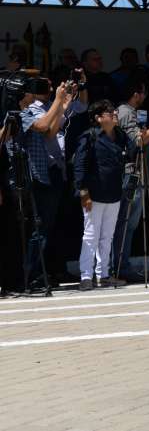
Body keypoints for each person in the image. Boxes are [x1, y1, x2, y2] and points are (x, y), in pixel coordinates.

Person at [10, 78, 80, 291]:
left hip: (54, 172)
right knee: (38, 228)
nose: (49, 90)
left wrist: (64, 102)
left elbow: (52, 129)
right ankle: (30, 275)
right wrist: (59, 100)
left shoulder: (48, 107)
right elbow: (43, 126)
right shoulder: (24, 111)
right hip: (37, 175)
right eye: (44, 87)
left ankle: (44, 272)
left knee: (49, 227)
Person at [73, 100, 138, 289]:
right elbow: (80, 166)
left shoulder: (120, 135)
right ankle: (86, 276)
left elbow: (134, 150)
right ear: (98, 118)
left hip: (114, 193)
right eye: (109, 112)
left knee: (107, 236)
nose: (114, 113)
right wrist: (83, 192)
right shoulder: (89, 136)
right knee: (90, 235)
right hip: (94, 194)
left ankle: (103, 274)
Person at [112, 79, 149, 280]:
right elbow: (136, 141)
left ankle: (120, 265)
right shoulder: (126, 112)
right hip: (131, 174)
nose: (145, 97)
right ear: (136, 94)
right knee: (126, 223)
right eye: (143, 93)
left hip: (137, 172)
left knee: (128, 224)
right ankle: (120, 267)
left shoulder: (128, 112)